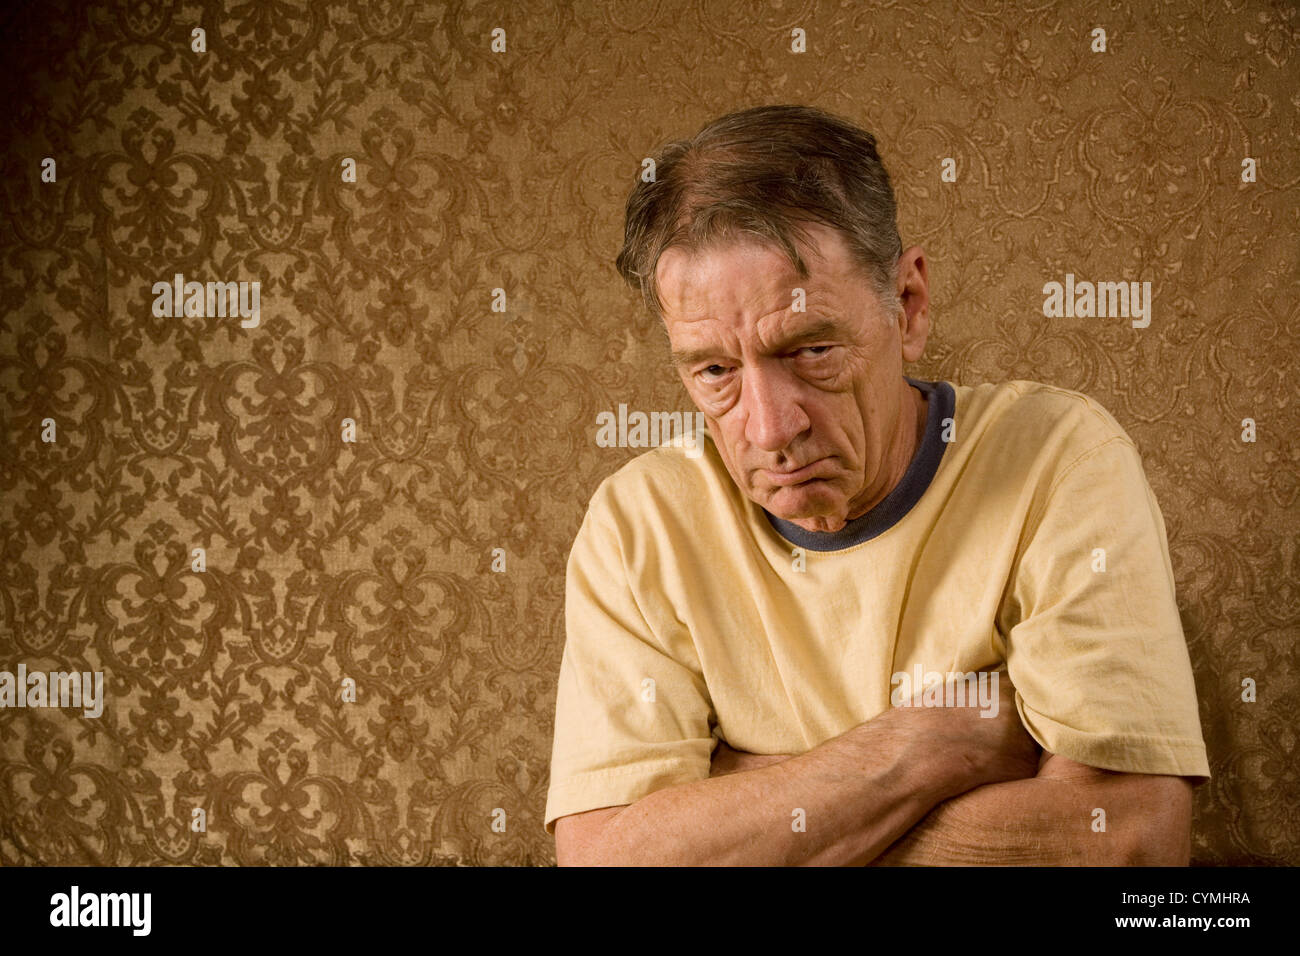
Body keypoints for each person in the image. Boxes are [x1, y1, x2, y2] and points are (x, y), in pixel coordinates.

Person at [545, 104, 1209, 866]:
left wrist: (752, 810)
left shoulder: (1061, 461)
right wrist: (929, 746)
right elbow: (606, 860)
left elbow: (1127, 843)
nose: (768, 428)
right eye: (714, 372)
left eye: (812, 349)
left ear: (908, 306)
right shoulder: (640, 523)